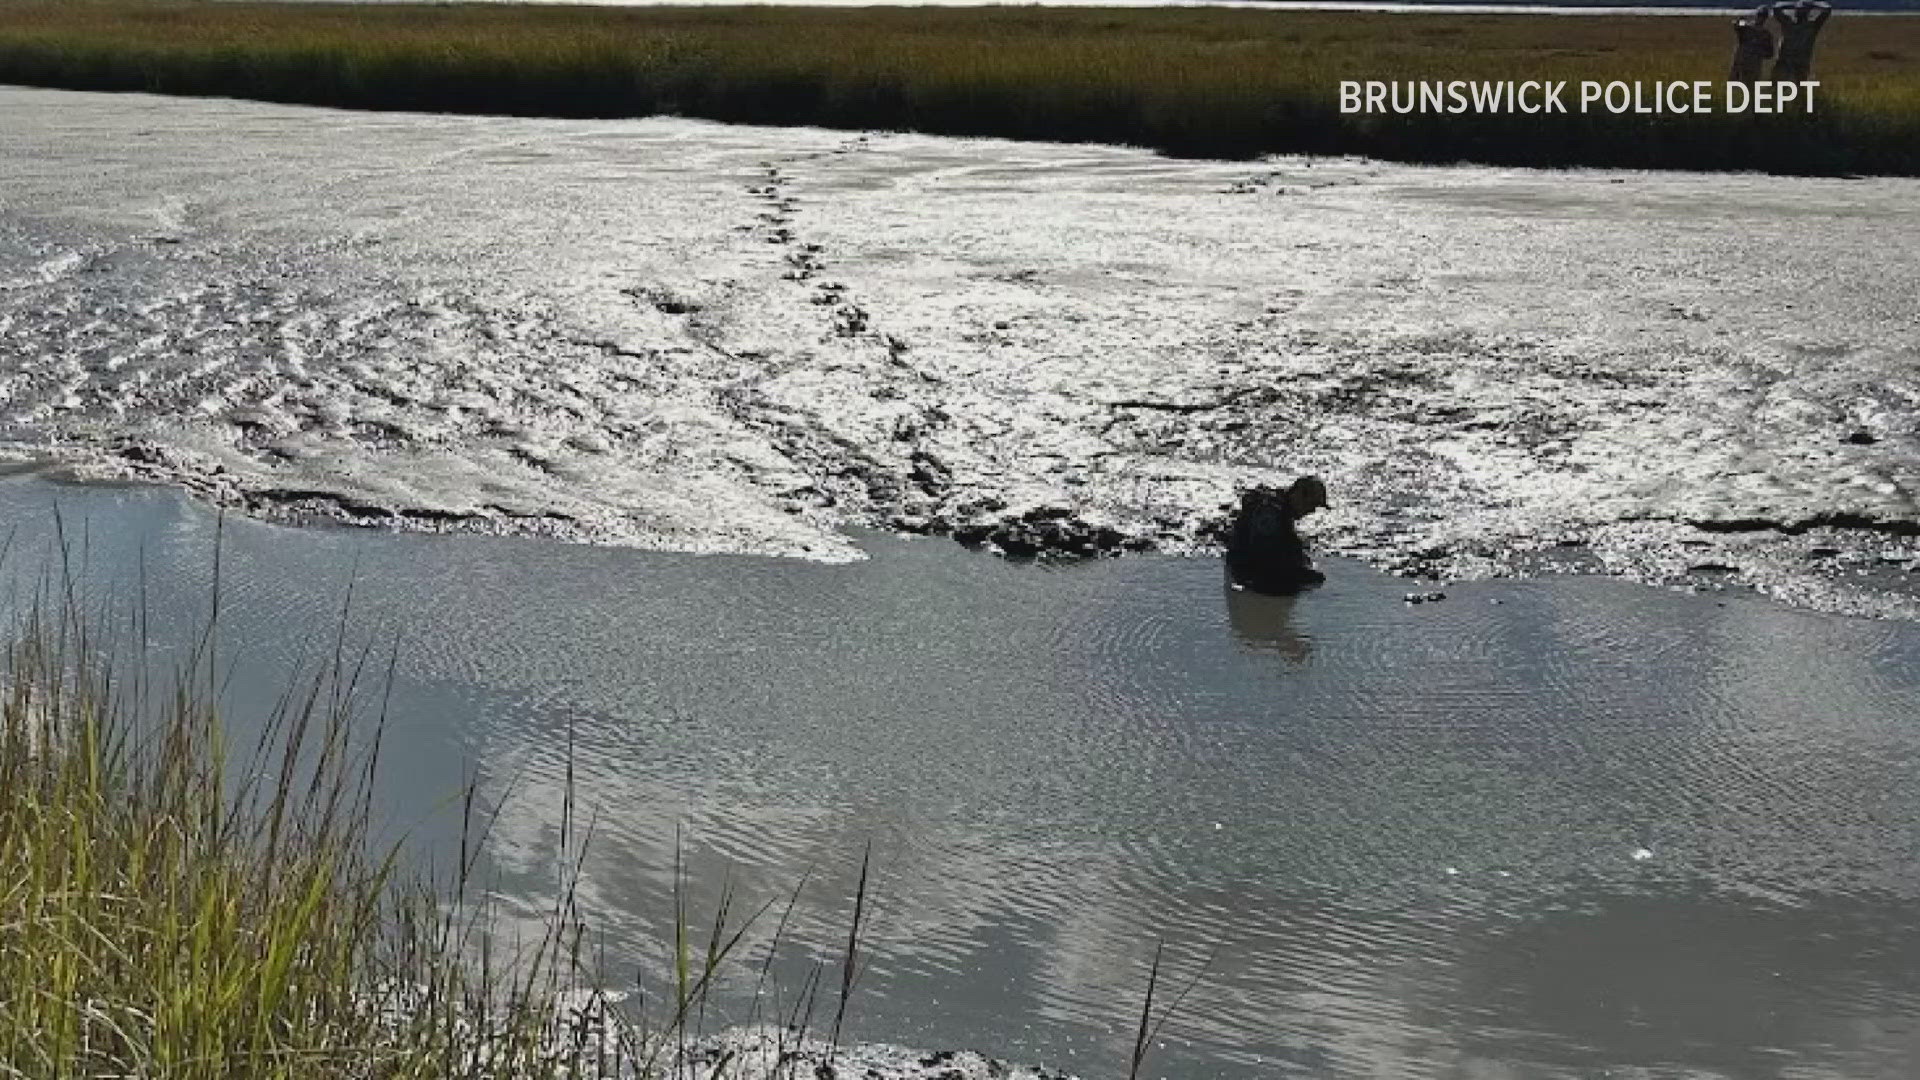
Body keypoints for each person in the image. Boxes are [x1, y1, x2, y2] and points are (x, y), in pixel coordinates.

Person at [1226, 476, 1328, 595]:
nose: (1312, 511)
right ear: (1299, 495)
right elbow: (1265, 558)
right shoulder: (1270, 513)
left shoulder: (1281, 508)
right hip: (1249, 573)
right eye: (1312, 504)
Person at [1771, 0, 1833, 84]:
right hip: (1786, 61)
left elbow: (1828, 9)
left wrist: (1809, 4)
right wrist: (1799, 5)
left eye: (1802, 11)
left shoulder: (1811, 26)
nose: (1800, 12)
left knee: (1798, 85)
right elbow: (1776, 9)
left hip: (1799, 62)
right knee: (1778, 85)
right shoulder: (1790, 23)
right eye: (1799, 10)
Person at [1730, 7, 1775, 86]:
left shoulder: (1764, 34)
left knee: (1747, 86)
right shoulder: (1749, 28)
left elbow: (1769, 53)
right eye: (1760, 16)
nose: (1760, 18)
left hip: (1750, 63)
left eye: (1762, 16)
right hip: (1743, 63)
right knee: (1737, 85)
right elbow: (1736, 25)